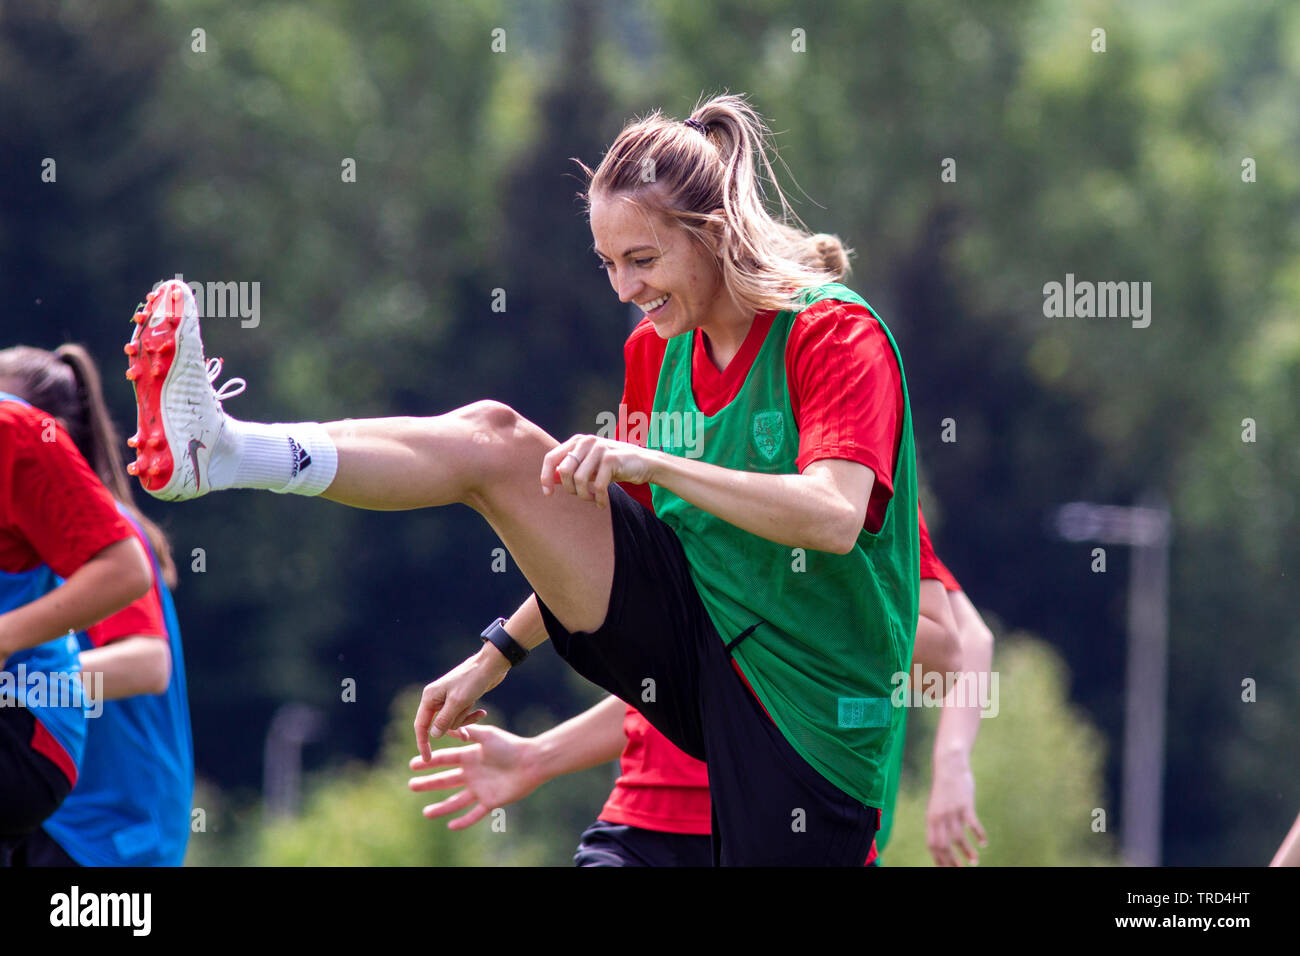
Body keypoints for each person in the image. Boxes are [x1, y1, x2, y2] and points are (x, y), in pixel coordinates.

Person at [126, 92, 920, 864]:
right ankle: (228, 449)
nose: (624, 290)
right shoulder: (655, 349)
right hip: (696, 642)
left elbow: (832, 515)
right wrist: (495, 654)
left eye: (643, 260)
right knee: (495, 440)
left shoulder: (833, 332)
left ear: (714, 234)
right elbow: (605, 540)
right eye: (609, 264)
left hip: (812, 718)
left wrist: (655, 461)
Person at [409, 508, 974, 867]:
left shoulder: (855, 496)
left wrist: (951, 762)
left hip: (797, 825)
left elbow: (955, 649)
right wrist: (538, 753)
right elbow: (667, 688)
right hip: (645, 825)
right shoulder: (670, 466)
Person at [0, 344, 194, 867]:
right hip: (64, 809)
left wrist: (28, 682)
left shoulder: (102, 532)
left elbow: (147, 665)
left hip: (104, 822)